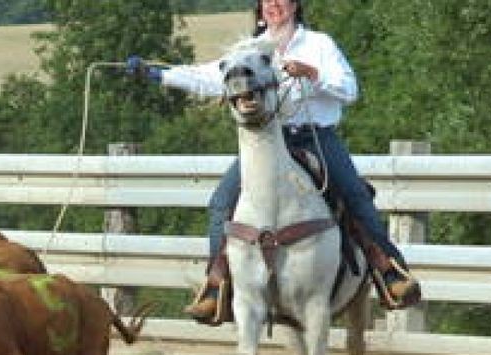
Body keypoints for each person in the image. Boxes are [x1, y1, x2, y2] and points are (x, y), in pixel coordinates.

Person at [128, 0, 420, 325]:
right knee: (221, 203)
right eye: (267, 0)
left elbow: (349, 89)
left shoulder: (319, 45)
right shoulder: (250, 50)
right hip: (267, 142)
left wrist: (311, 74)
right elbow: (211, 77)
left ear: (295, 5)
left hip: (315, 137)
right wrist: (158, 74)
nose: (273, 5)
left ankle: (390, 272)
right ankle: (217, 286)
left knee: (355, 196)